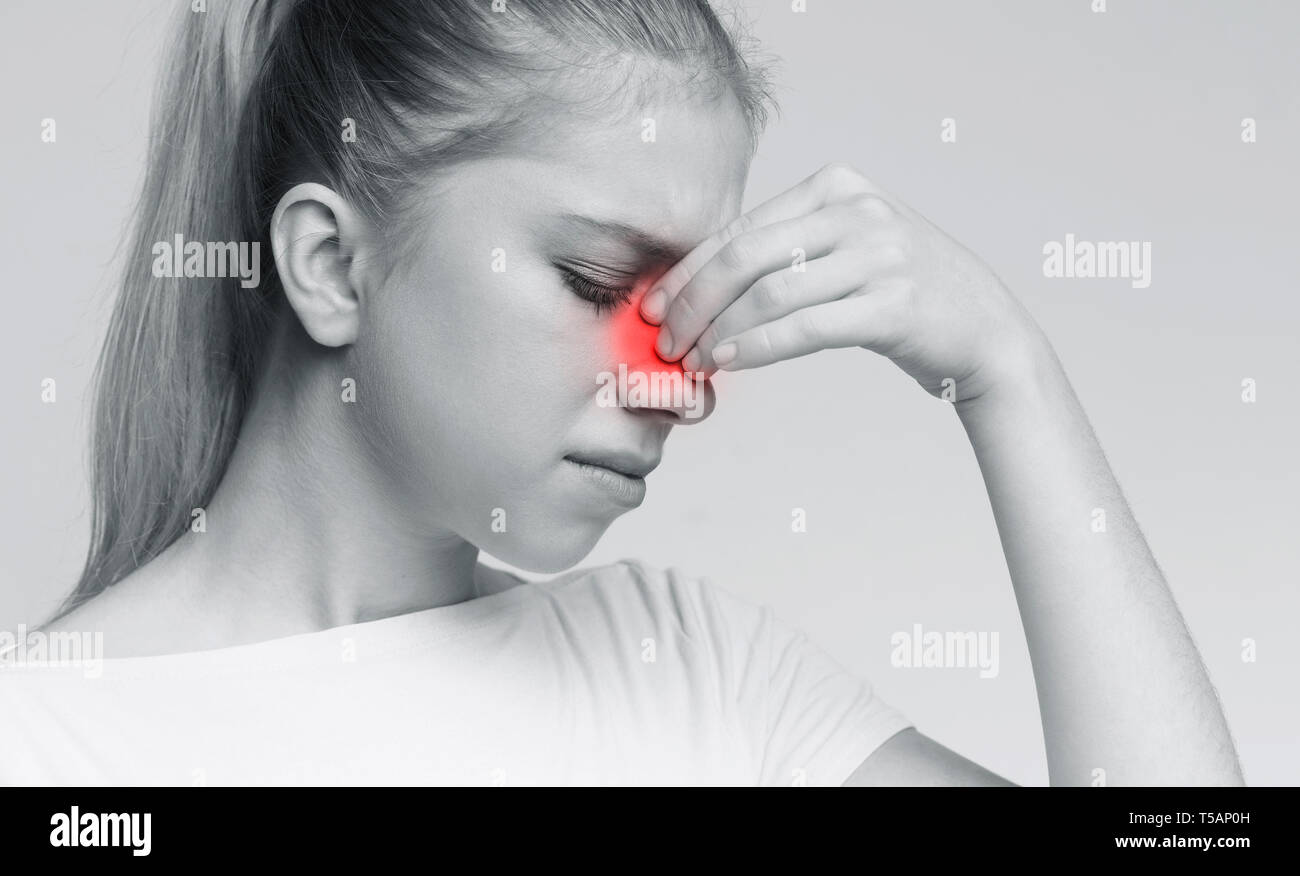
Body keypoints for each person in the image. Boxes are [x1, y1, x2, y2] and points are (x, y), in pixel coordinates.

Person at [0, 0, 1243, 786]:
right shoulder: (48, 747)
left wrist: (1007, 374)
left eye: (689, 302)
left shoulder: (695, 673)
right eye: (599, 278)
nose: (678, 385)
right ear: (331, 264)